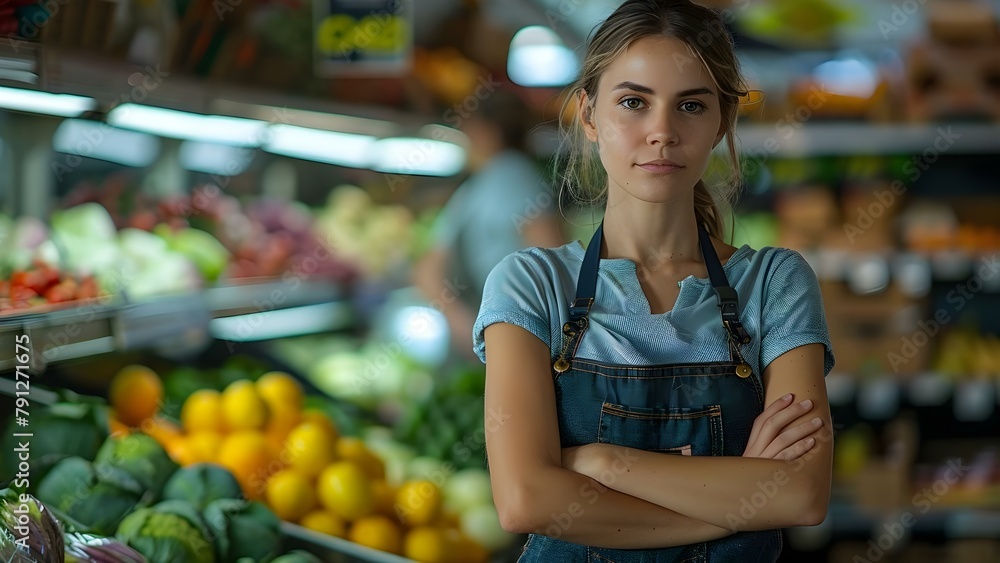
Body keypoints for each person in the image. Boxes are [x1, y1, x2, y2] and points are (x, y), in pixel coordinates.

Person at [473, 1, 836, 561]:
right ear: (590, 117)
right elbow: (526, 501)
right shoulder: (531, 284)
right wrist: (736, 505)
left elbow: (802, 494)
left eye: (691, 105)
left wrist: (601, 463)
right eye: (633, 102)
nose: (662, 131)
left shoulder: (773, 282)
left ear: (723, 122)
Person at [414, 89, 564, 360]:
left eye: (468, 129)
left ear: (486, 131)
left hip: (510, 337)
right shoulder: (502, 178)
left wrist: (464, 326)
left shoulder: (509, 177)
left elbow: (551, 261)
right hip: (507, 335)